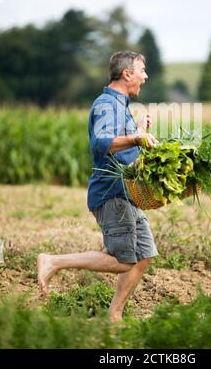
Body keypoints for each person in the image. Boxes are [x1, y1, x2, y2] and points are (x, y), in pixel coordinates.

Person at [37, 51, 159, 323]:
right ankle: (53, 261)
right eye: (142, 69)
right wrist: (137, 138)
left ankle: (114, 314)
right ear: (127, 74)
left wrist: (137, 131)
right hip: (112, 193)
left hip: (127, 193)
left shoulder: (121, 107)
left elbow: (125, 148)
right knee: (124, 260)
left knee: (144, 255)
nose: (145, 75)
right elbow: (102, 144)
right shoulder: (106, 103)